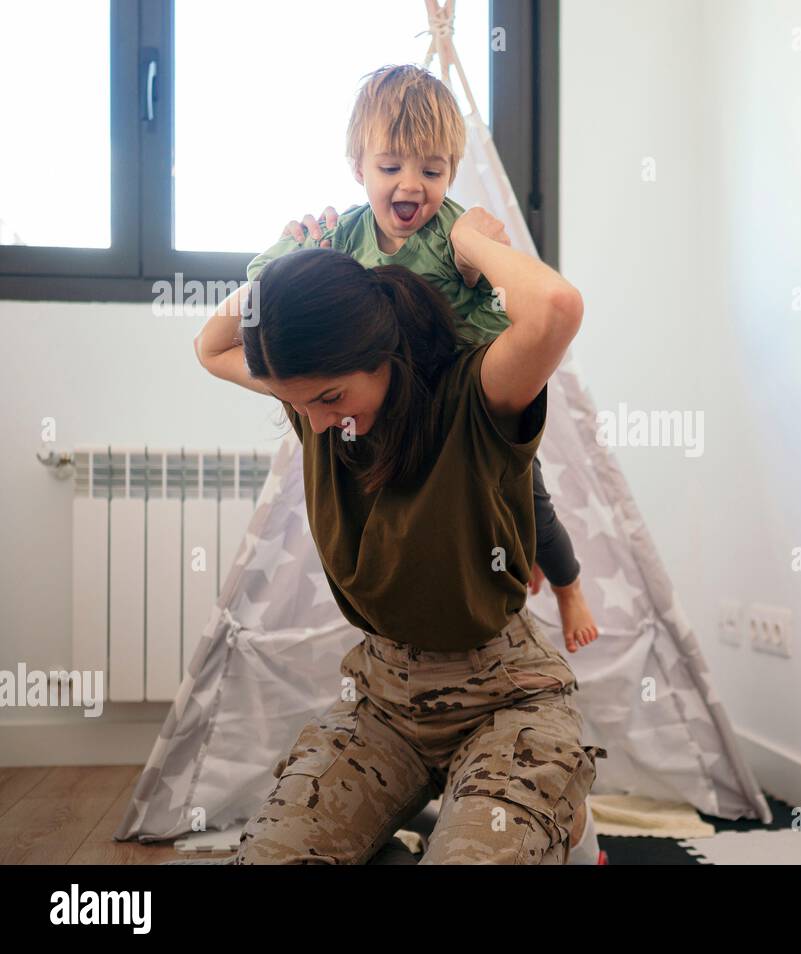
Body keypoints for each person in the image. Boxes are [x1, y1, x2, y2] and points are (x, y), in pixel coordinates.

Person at [193, 203, 606, 864]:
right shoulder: (317, 406)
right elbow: (212, 347)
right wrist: (281, 268)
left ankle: (564, 817)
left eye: (328, 399)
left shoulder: (475, 396)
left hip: (503, 697)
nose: (315, 424)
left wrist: (469, 242)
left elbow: (556, 306)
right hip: (382, 699)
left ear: (381, 352)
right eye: (297, 405)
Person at [248, 62, 599, 653]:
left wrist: (476, 248)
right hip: (400, 410)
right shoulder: (345, 238)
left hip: (469, 410)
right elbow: (264, 293)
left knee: (528, 503)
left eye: (432, 170)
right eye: (390, 167)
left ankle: (567, 586)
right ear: (358, 167)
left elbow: (549, 306)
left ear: (452, 172)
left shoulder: (453, 233)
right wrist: (293, 244)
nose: (411, 185)